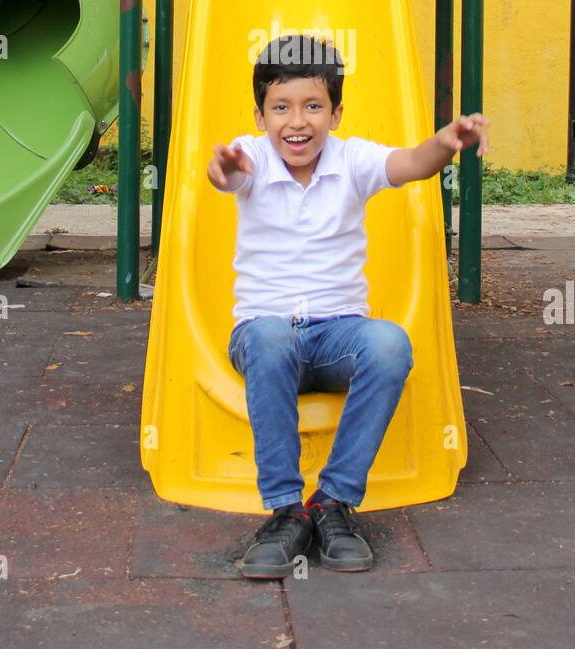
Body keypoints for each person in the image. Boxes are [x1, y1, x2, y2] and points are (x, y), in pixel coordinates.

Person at [207, 35, 490, 579]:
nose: (297, 122)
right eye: (281, 108)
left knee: (389, 344)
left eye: (313, 106)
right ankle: (286, 509)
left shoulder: (353, 159)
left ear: (336, 113)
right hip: (265, 334)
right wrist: (223, 166)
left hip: (339, 335)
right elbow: (227, 177)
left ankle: (333, 502)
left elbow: (411, 164)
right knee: (268, 338)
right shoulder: (253, 157)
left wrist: (446, 141)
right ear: (260, 115)